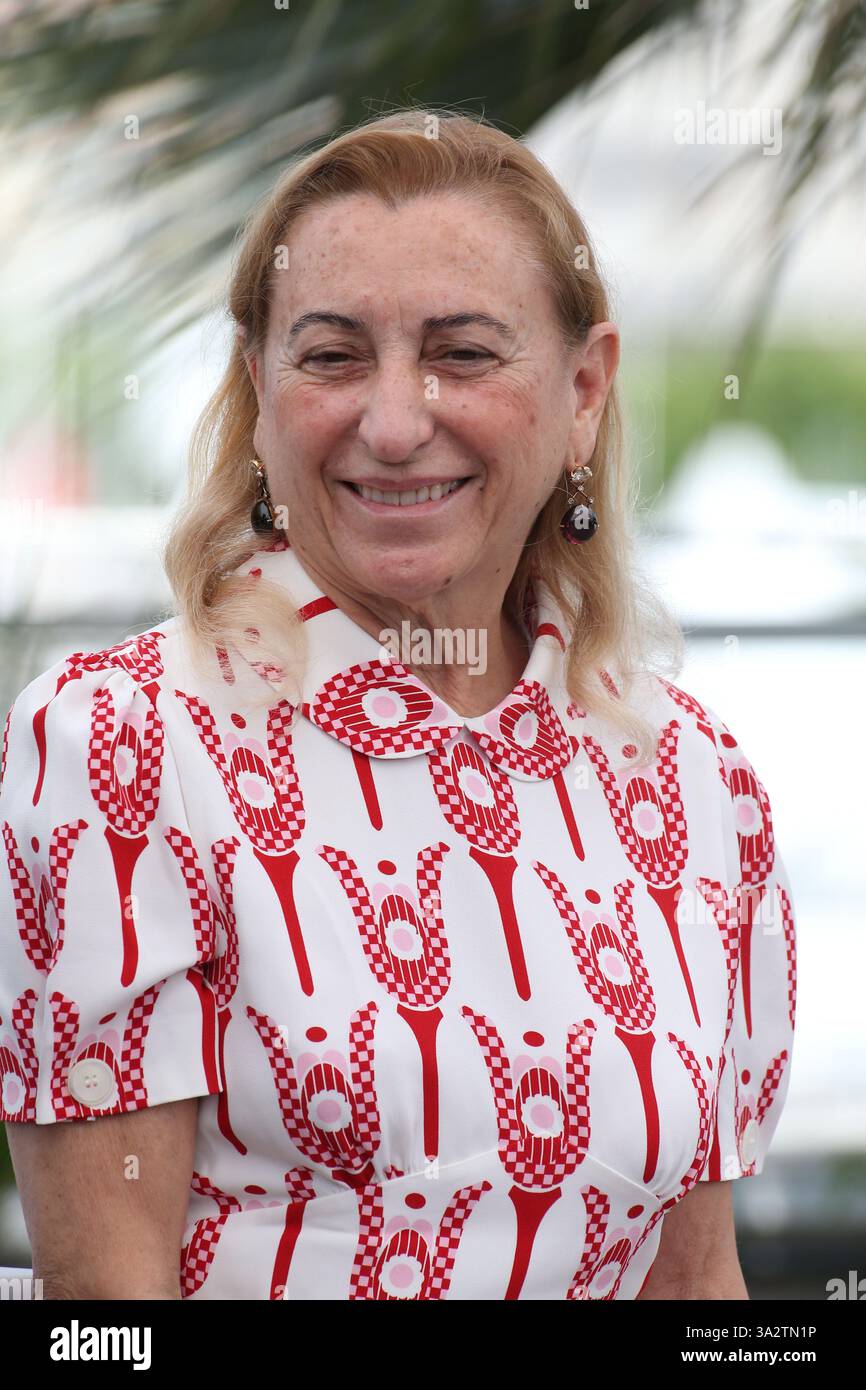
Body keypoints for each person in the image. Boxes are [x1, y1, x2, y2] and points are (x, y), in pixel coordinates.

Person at [0, 107, 797, 1301]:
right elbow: (108, 1316)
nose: (390, 420)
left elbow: (693, 1290)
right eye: (329, 356)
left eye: (461, 352)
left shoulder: (695, 781)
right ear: (258, 393)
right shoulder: (120, 741)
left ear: (583, 389)